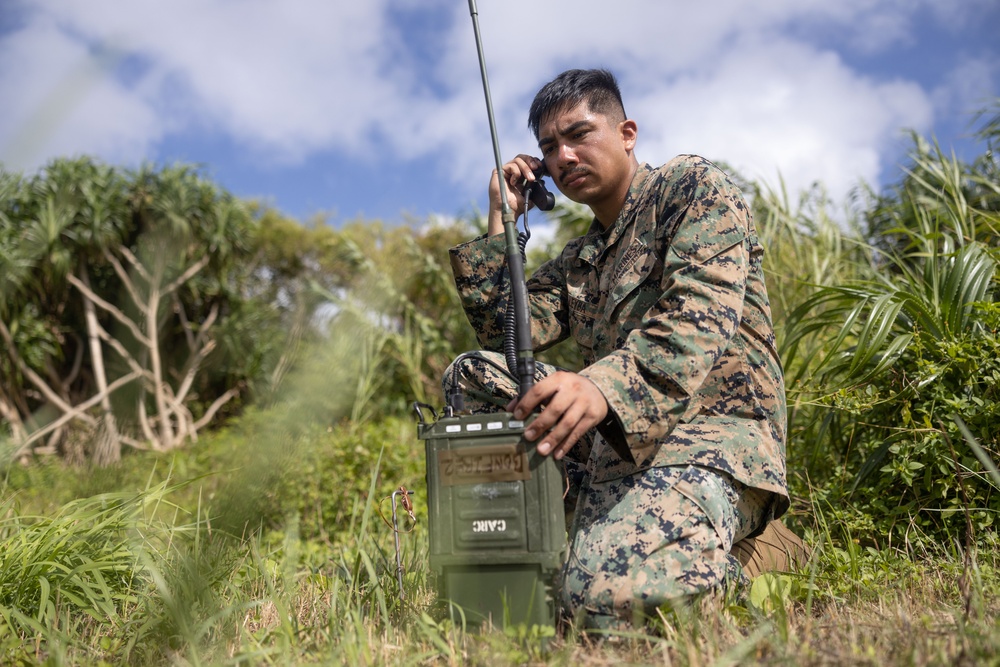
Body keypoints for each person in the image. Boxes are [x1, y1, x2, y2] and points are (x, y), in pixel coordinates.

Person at [446, 68, 796, 630]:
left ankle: (759, 557)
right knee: (475, 374)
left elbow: (695, 321)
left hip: (708, 437)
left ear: (626, 133)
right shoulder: (582, 257)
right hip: (618, 446)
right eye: (548, 148)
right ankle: (527, 551)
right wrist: (500, 221)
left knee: (606, 605)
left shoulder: (692, 188)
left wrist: (600, 385)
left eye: (578, 134)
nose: (563, 156)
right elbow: (504, 333)